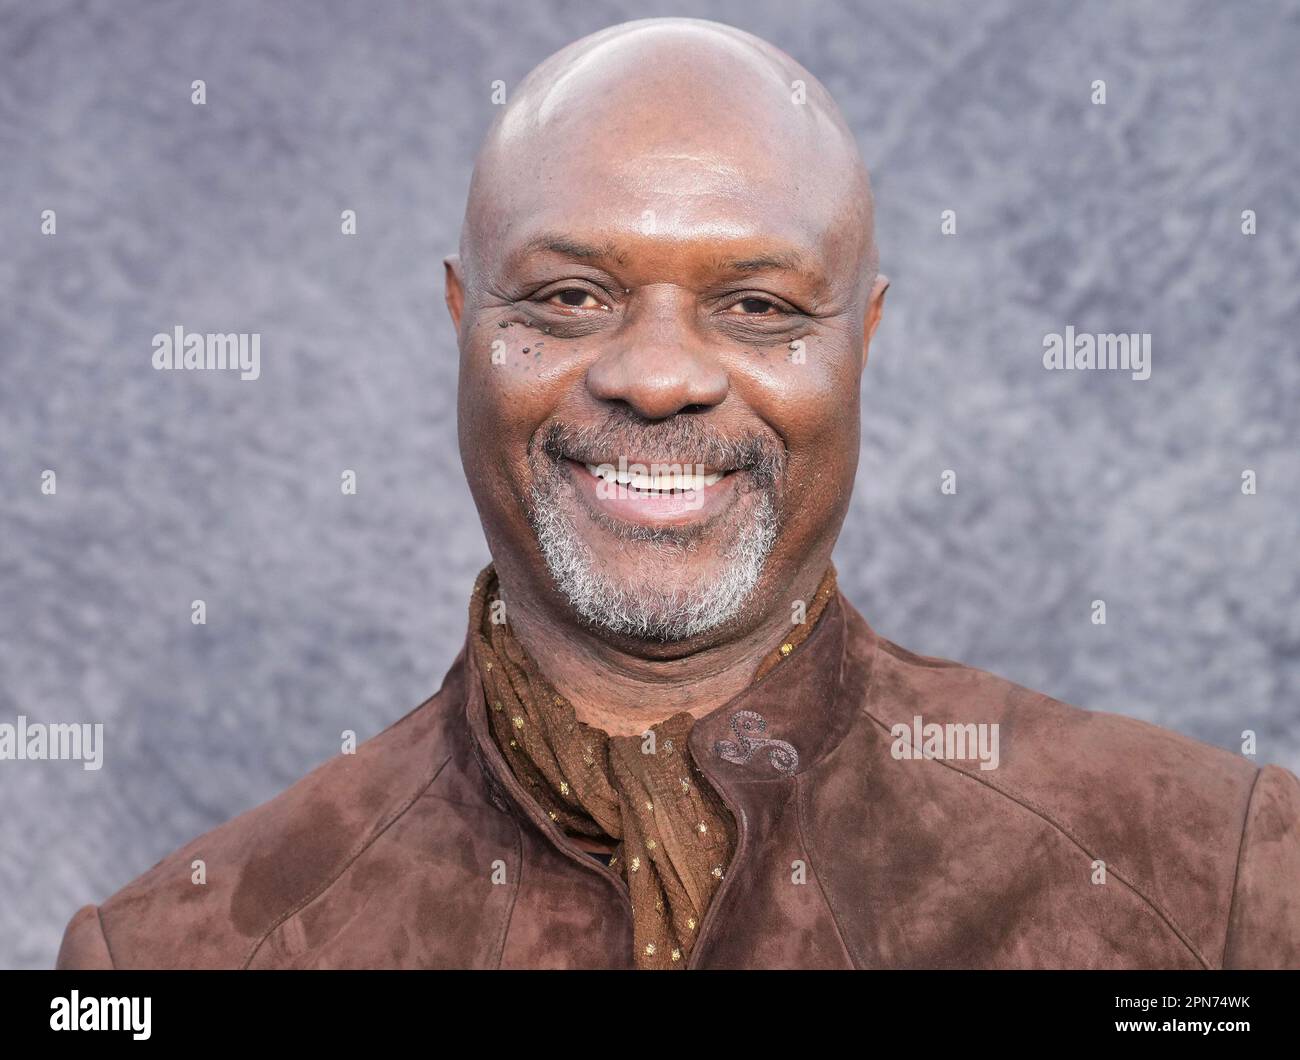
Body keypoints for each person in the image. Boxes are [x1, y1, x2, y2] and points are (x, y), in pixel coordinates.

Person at [56, 17, 1300, 970]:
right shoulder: (176, 954)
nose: (656, 379)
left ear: (859, 338)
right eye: (569, 297)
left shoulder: (1218, 882)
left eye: (757, 305)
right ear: (461, 320)